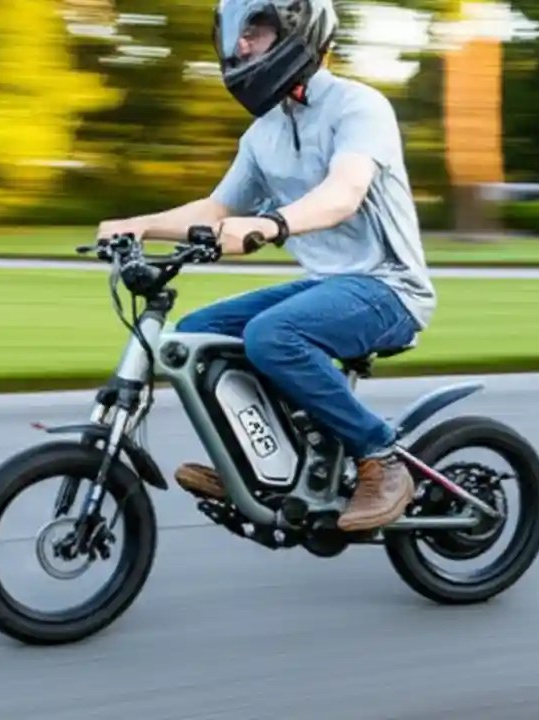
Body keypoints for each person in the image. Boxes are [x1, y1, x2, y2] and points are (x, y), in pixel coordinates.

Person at [95, 0, 436, 532]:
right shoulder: (263, 134)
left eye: (256, 31)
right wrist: (136, 225)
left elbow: (342, 195)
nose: (242, 46)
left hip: (387, 288)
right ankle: (260, 466)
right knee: (196, 336)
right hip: (327, 286)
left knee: (271, 335)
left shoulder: (358, 107)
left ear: (299, 32)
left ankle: (381, 456)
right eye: (238, 34)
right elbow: (213, 212)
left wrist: (272, 224)